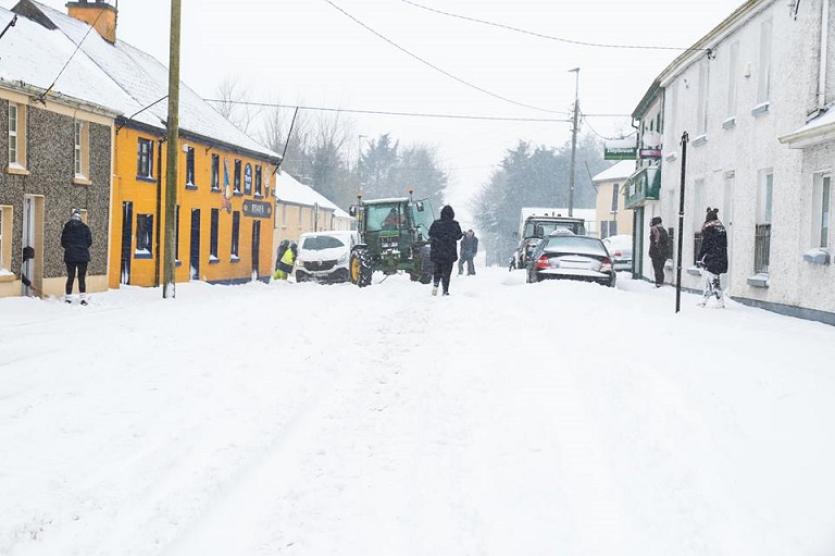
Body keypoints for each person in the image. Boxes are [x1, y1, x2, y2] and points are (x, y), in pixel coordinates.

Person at [697, 207, 728, 308]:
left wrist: (699, 257)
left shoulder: (709, 228)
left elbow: (705, 244)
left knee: (714, 281)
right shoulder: (721, 228)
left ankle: (720, 302)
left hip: (712, 258)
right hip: (721, 257)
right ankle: (704, 301)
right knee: (710, 281)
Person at [428, 205, 463, 296]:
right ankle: (445, 290)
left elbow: (430, 234)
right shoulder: (455, 224)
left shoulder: (436, 223)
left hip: (437, 252)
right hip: (449, 252)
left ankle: (435, 285)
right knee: (447, 272)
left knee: (437, 270)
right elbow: (458, 236)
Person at [61, 208, 92, 305]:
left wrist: (70, 247)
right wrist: (82, 247)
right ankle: (83, 298)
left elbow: (63, 242)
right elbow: (89, 242)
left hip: (70, 255)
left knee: (70, 276)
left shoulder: (67, 227)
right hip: (83, 255)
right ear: (80, 218)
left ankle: (68, 298)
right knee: (81, 277)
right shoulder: (85, 228)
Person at [648, 216, 670, 288]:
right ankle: (660, 282)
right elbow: (666, 242)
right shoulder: (663, 230)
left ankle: (658, 283)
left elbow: (654, 242)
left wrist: (652, 251)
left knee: (657, 268)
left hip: (656, 253)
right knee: (660, 268)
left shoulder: (654, 230)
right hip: (663, 253)